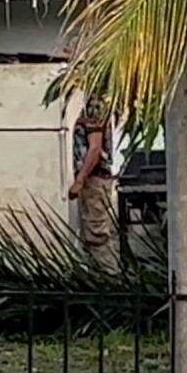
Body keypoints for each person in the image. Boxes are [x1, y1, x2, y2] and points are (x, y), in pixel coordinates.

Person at [68, 95, 118, 270]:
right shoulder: (99, 104)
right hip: (94, 179)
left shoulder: (95, 105)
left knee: (97, 235)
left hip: (94, 179)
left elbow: (95, 148)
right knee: (92, 235)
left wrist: (80, 180)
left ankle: (110, 280)